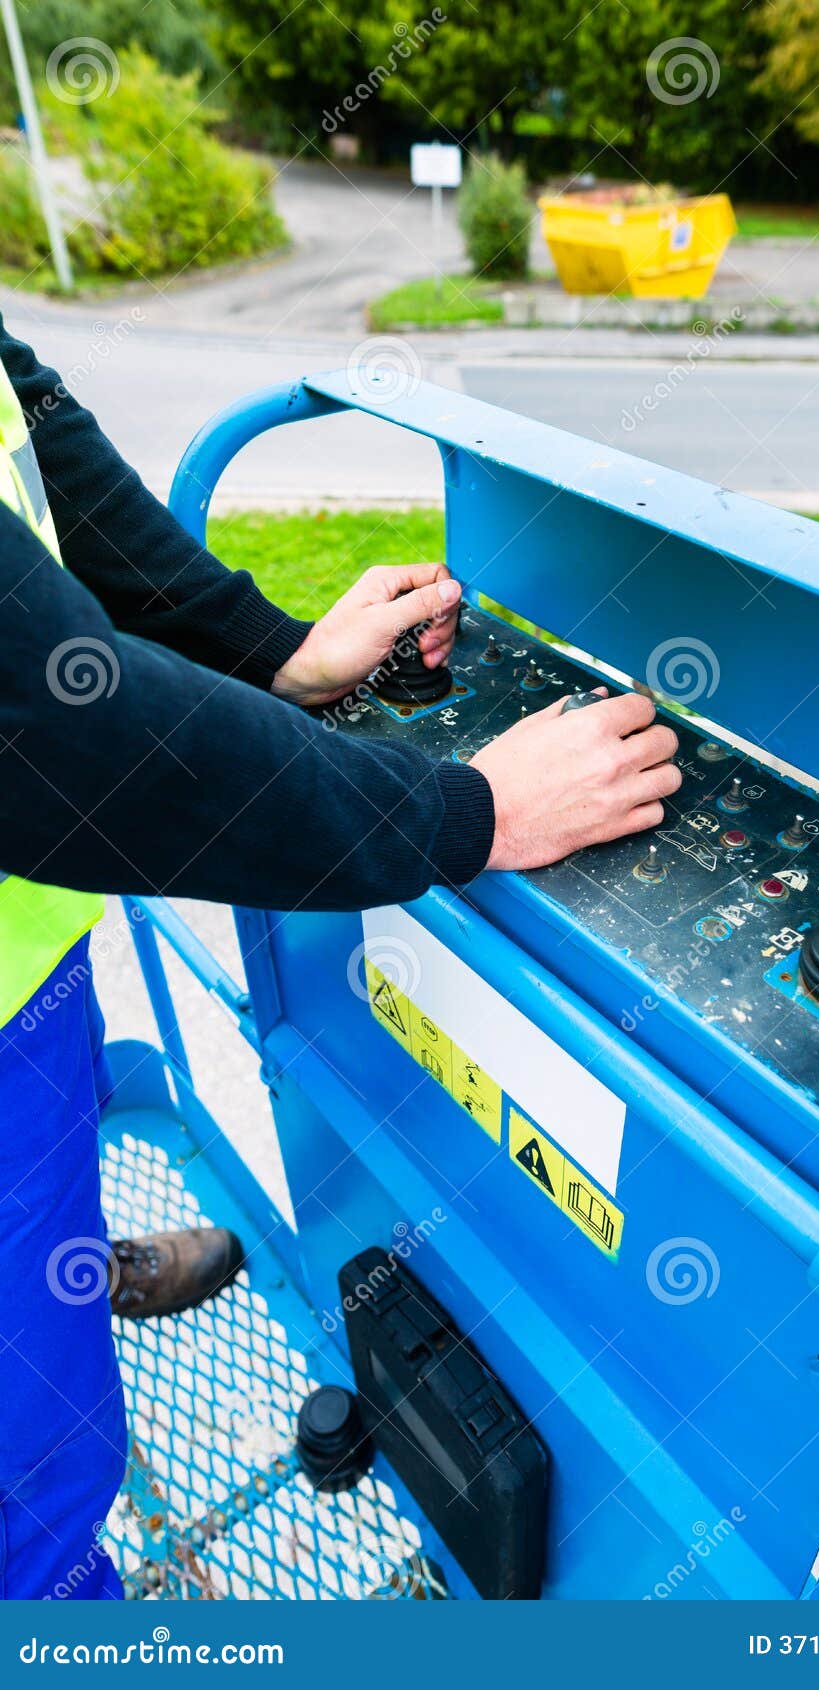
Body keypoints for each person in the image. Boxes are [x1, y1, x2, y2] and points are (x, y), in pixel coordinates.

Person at [0, 311, 680, 1599]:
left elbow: (26, 429)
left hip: (22, 948)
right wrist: (463, 816)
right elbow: (37, 719)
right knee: (33, 1495)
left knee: (52, 1164)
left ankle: (71, 1269)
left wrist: (274, 654)